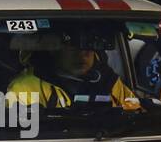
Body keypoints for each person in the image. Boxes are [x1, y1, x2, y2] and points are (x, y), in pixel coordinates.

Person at [7, 31, 138, 108]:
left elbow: (139, 114)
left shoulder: (109, 81)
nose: (82, 54)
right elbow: (25, 133)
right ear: (54, 50)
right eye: (73, 47)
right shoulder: (26, 87)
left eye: (88, 46)